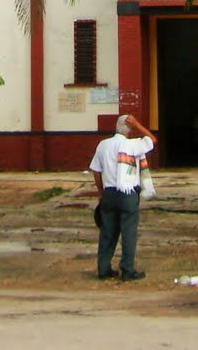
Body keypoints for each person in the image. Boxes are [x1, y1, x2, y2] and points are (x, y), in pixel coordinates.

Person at [88, 112, 156, 281]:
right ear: (129, 131)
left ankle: (103, 269)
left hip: (109, 193)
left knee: (107, 233)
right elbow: (152, 140)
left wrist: (101, 193)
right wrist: (138, 124)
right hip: (128, 194)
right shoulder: (132, 145)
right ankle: (127, 269)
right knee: (129, 232)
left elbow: (96, 171)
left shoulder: (102, 145)